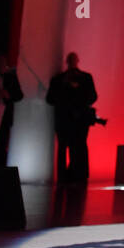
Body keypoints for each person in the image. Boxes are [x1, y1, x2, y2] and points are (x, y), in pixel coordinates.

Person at [45, 52, 98, 184]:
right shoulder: (60, 80)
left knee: (77, 147)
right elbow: (50, 98)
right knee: (68, 147)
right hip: (67, 119)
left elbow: (92, 96)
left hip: (77, 119)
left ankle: (77, 175)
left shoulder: (84, 78)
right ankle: (67, 176)